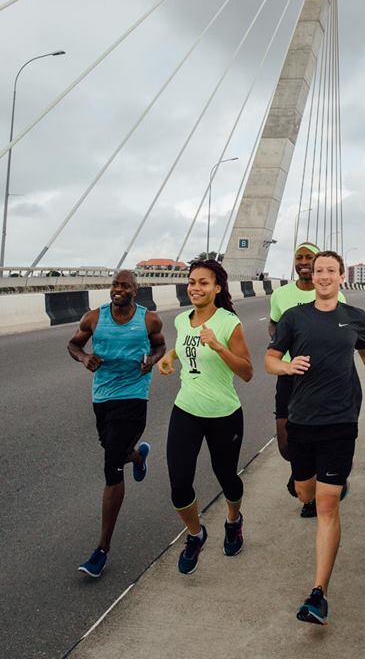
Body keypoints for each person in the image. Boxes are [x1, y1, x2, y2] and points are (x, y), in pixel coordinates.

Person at [265, 250, 365, 625]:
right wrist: (286, 366)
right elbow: (270, 358)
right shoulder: (294, 318)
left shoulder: (354, 317)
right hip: (302, 419)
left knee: (326, 506)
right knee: (305, 493)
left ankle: (318, 594)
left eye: (330, 271)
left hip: (340, 421)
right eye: (318, 270)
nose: (323, 276)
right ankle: (317, 485)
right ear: (312, 275)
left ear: (340, 276)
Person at [68, 269, 166, 578]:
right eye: (115, 285)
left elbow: (160, 346)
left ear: (135, 290)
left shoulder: (149, 320)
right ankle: (137, 455)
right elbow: (73, 345)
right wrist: (84, 358)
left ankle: (101, 550)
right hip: (103, 397)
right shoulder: (94, 318)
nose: (118, 289)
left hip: (134, 396)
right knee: (114, 449)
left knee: (112, 465)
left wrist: (151, 360)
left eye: (125, 285)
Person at [158, 258, 252, 575]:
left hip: (224, 413)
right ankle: (196, 535)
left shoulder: (229, 324)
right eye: (192, 282)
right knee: (179, 484)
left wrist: (219, 347)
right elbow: (184, 348)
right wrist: (169, 357)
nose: (196, 288)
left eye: (203, 283)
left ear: (217, 288)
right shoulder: (183, 320)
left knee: (227, 478)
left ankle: (233, 521)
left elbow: (247, 372)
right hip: (186, 408)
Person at [268, 241, 345, 518]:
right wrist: (281, 342)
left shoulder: (336, 294)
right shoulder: (280, 294)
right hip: (289, 376)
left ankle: (320, 485)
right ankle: (302, 470)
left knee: (324, 435)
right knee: (286, 443)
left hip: (324, 378)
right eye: (299, 257)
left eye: (308, 258)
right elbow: (274, 323)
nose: (303, 261)